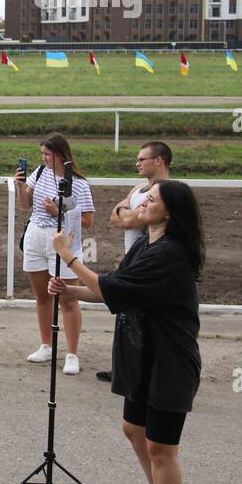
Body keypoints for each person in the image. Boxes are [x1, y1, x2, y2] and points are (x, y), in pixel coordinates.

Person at [49, 180, 204, 484]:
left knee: (161, 448)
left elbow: (110, 286)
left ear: (168, 212)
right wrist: (71, 291)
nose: (142, 203)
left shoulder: (169, 253)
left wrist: (69, 258)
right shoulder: (145, 245)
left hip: (170, 360)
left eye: (151, 200)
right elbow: (115, 289)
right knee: (134, 428)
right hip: (142, 354)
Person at [15, 132, 95, 375]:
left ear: (61, 154)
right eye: (42, 154)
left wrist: (57, 211)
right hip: (36, 235)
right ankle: (46, 344)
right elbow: (26, 204)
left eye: (48, 154)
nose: (44, 158)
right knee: (42, 296)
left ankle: (72, 353)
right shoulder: (38, 173)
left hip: (62, 239)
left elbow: (87, 221)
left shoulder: (79, 183)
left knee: (68, 298)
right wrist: (20, 186)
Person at [98, 141, 174, 382]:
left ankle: (149, 371)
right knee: (126, 317)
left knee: (147, 320)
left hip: (150, 263)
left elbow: (129, 221)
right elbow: (116, 216)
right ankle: (124, 367)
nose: (137, 163)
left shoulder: (166, 193)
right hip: (131, 262)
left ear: (159, 161)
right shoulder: (139, 188)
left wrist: (126, 214)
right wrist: (127, 214)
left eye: (142, 159)